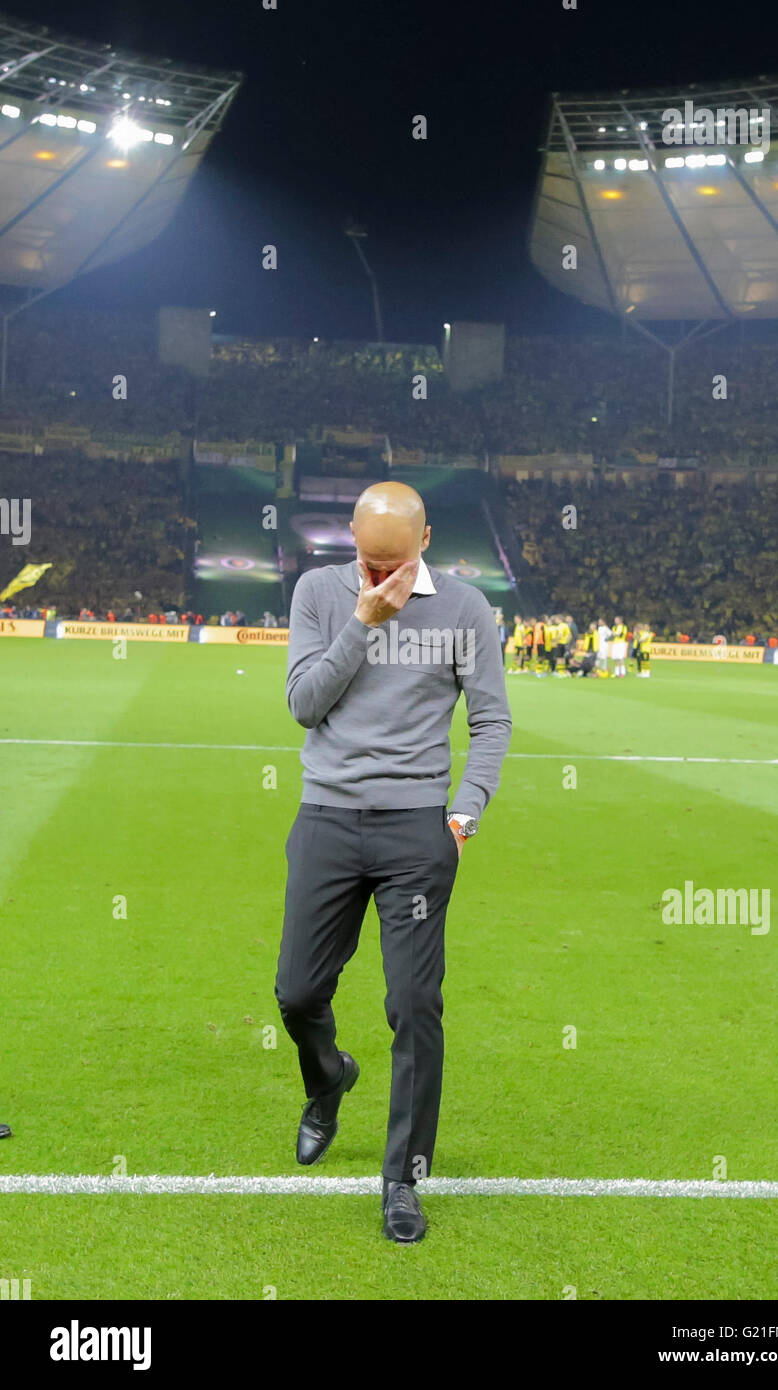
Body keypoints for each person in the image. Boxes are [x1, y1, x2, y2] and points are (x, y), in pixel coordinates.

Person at [274, 481, 511, 1244]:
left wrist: (464, 813)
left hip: (416, 829)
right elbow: (305, 703)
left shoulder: (467, 609)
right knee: (297, 991)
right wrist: (362, 623)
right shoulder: (319, 591)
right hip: (328, 817)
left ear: (426, 542)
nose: (379, 579)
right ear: (350, 537)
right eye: (367, 563)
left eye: (394, 565)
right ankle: (328, 1077)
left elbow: (491, 720)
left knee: (413, 1006)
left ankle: (402, 1180)